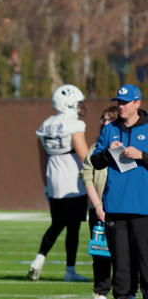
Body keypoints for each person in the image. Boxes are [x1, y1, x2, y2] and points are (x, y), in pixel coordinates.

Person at [91, 84, 148, 299]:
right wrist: (107, 152)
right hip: (115, 204)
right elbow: (96, 162)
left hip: (143, 205)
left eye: (125, 102)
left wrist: (141, 155)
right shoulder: (109, 129)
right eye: (119, 102)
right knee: (120, 258)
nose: (121, 106)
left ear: (137, 103)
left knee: (145, 258)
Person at [79, 106, 139, 299]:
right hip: (98, 209)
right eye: (103, 119)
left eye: (109, 119)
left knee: (128, 255)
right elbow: (87, 176)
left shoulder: (130, 146)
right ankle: (100, 296)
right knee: (100, 254)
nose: (105, 123)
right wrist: (97, 206)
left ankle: (130, 296)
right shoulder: (96, 147)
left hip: (121, 208)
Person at [27, 85, 89, 282]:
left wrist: (46, 185)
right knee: (73, 227)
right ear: (68, 103)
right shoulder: (74, 124)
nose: (80, 106)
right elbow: (84, 156)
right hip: (73, 180)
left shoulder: (45, 124)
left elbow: (42, 159)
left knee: (57, 223)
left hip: (53, 177)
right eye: (77, 103)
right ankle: (70, 270)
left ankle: (39, 258)